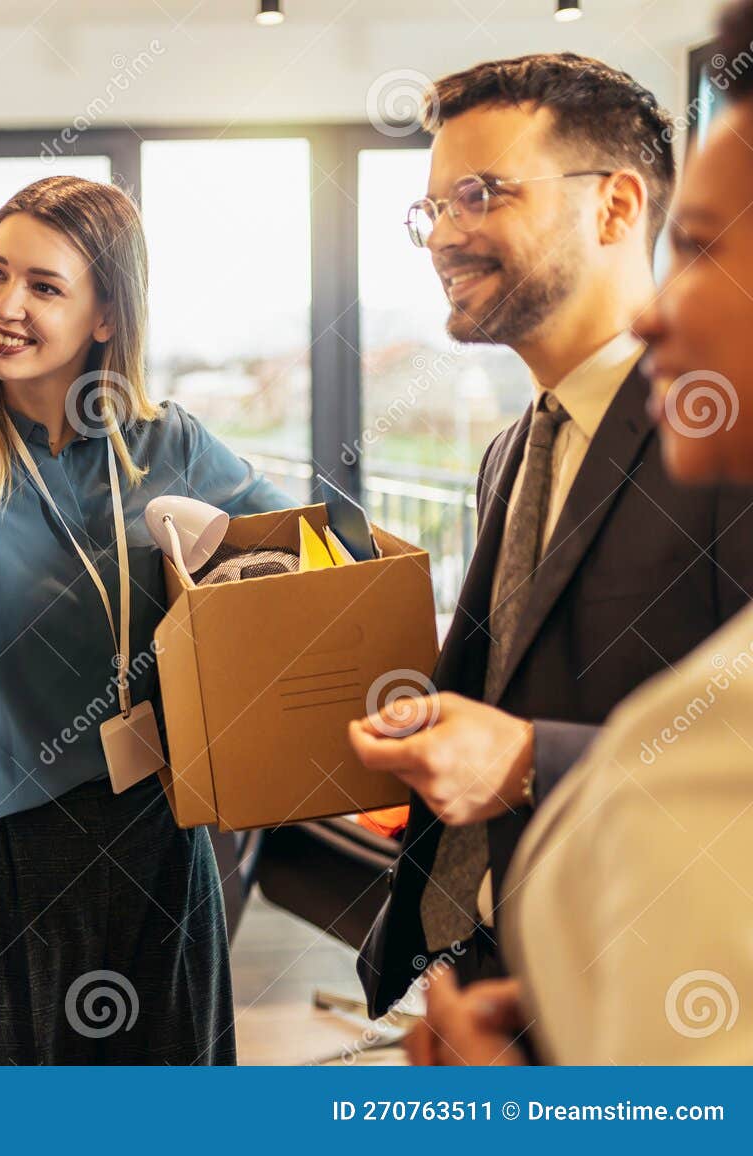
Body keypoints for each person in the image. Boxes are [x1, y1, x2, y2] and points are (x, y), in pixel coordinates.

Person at [348, 53, 753, 1018]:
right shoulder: (507, 454)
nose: (444, 236)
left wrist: (531, 760)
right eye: (432, 208)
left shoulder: (722, 441)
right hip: (506, 983)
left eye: (479, 195)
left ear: (615, 208)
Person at [0, 176, 292, 1064]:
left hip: (158, 845)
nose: (4, 306)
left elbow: (314, 557)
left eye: (43, 286)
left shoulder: (171, 446)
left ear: (105, 317)